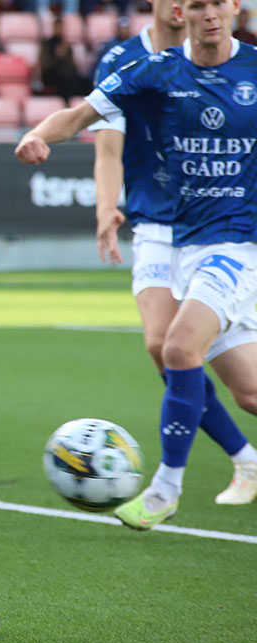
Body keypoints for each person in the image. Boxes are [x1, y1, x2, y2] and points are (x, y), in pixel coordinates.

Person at [15, 0, 257, 529]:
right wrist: (37, 136)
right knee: (249, 390)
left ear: (234, 7)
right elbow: (81, 116)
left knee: (176, 346)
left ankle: (164, 490)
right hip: (172, 236)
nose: (207, 13)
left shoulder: (254, 72)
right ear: (180, 13)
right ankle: (247, 461)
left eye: (217, 3)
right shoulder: (153, 69)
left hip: (237, 243)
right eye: (197, 5)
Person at [91, 0, 257, 509]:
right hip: (156, 224)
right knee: (165, 345)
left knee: (240, 387)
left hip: (218, 223)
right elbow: (108, 148)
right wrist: (106, 209)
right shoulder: (123, 59)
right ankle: (242, 459)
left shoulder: (234, 65)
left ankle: (233, 465)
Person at [38, 17, 90, 102]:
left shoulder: (66, 44)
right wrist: (58, 56)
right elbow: (45, 65)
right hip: (51, 75)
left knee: (85, 82)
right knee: (66, 81)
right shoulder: (47, 44)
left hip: (67, 75)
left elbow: (72, 65)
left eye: (61, 28)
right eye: (57, 27)